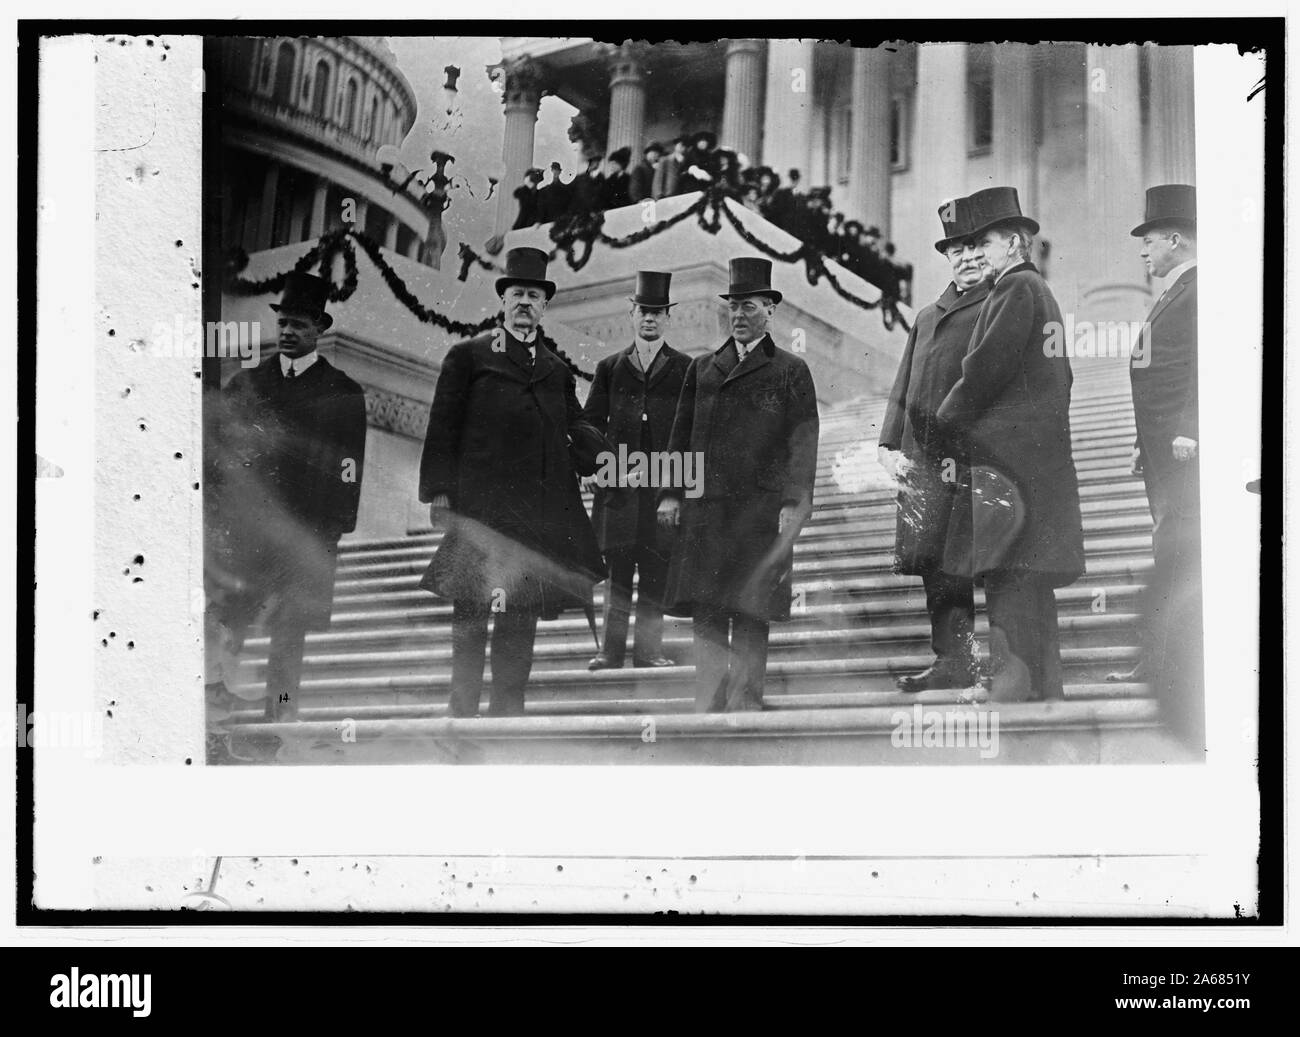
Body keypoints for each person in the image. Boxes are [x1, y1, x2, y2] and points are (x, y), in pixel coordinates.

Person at [418, 247, 607, 717]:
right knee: (470, 611)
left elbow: (575, 422)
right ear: (504, 301)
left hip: (532, 516)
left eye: (534, 295)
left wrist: (596, 448)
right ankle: (461, 708)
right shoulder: (469, 356)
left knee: (519, 616)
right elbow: (442, 426)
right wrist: (439, 492)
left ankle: (508, 707)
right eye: (517, 293)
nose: (525, 302)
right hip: (479, 512)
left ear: (545, 306)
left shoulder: (556, 370)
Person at [934, 186, 1085, 702]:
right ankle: (1041, 687)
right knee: (1030, 580)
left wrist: (941, 423)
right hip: (1035, 464)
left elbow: (981, 370)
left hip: (1008, 466)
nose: (977, 253)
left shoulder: (1014, 289)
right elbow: (1062, 378)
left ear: (1016, 243)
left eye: (988, 242)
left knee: (1008, 578)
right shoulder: (1038, 289)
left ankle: (1010, 689)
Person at [657, 257, 819, 712]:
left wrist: (794, 503)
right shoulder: (703, 368)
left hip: (760, 512)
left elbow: (803, 443)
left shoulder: (790, 369)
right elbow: (680, 434)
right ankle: (709, 699)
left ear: (770, 309)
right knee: (708, 606)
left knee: (751, 605)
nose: (740, 316)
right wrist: (670, 492)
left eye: (749, 307)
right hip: (707, 509)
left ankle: (746, 699)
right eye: (733, 307)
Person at [208, 272, 367, 721]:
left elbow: (349, 466)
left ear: (319, 328)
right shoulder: (248, 385)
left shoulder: (342, 392)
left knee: (288, 632)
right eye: (284, 323)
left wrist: (332, 530)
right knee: (230, 622)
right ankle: (215, 714)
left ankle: (279, 717)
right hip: (249, 533)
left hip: (304, 535)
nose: (289, 331)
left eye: (300, 324)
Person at [879, 197, 990, 692]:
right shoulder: (926, 315)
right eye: (955, 251)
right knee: (933, 565)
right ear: (946, 258)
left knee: (963, 561)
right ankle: (950, 659)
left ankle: (975, 659)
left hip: (967, 456)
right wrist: (887, 443)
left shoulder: (996, 303)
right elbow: (903, 384)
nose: (965, 258)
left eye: (972, 248)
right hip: (921, 461)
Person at [1107, 184, 1202, 744]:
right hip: (1163, 448)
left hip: (1183, 446)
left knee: (1178, 546)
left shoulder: (1198, 289)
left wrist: (1191, 426)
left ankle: (1170, 660)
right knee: (1168, 541)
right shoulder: (1176, 290)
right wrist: (1147, 443)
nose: (1143, 250)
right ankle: (1161, 658)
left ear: (1174, 238)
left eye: (1148, 240)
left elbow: (1201, 362)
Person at [583, 270, 691, 671]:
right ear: (632, 314)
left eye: (657, 312)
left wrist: (674, 492)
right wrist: (595, 466)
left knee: (655, 571)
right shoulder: (610, 368)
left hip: (660, 490)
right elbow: (590, 425)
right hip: (619, 491)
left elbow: (690, 431)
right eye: (643, 311)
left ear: (668, 318)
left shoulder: (684, 368)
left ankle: (649, 651)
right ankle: (608, 652)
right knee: (617, 574)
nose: (649, 319)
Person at [600, 147, 633, 211]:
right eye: (611, 164)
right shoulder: (609, 180)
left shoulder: (629, 180)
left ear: (621, 164)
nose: (611, 166)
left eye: (614, 163)